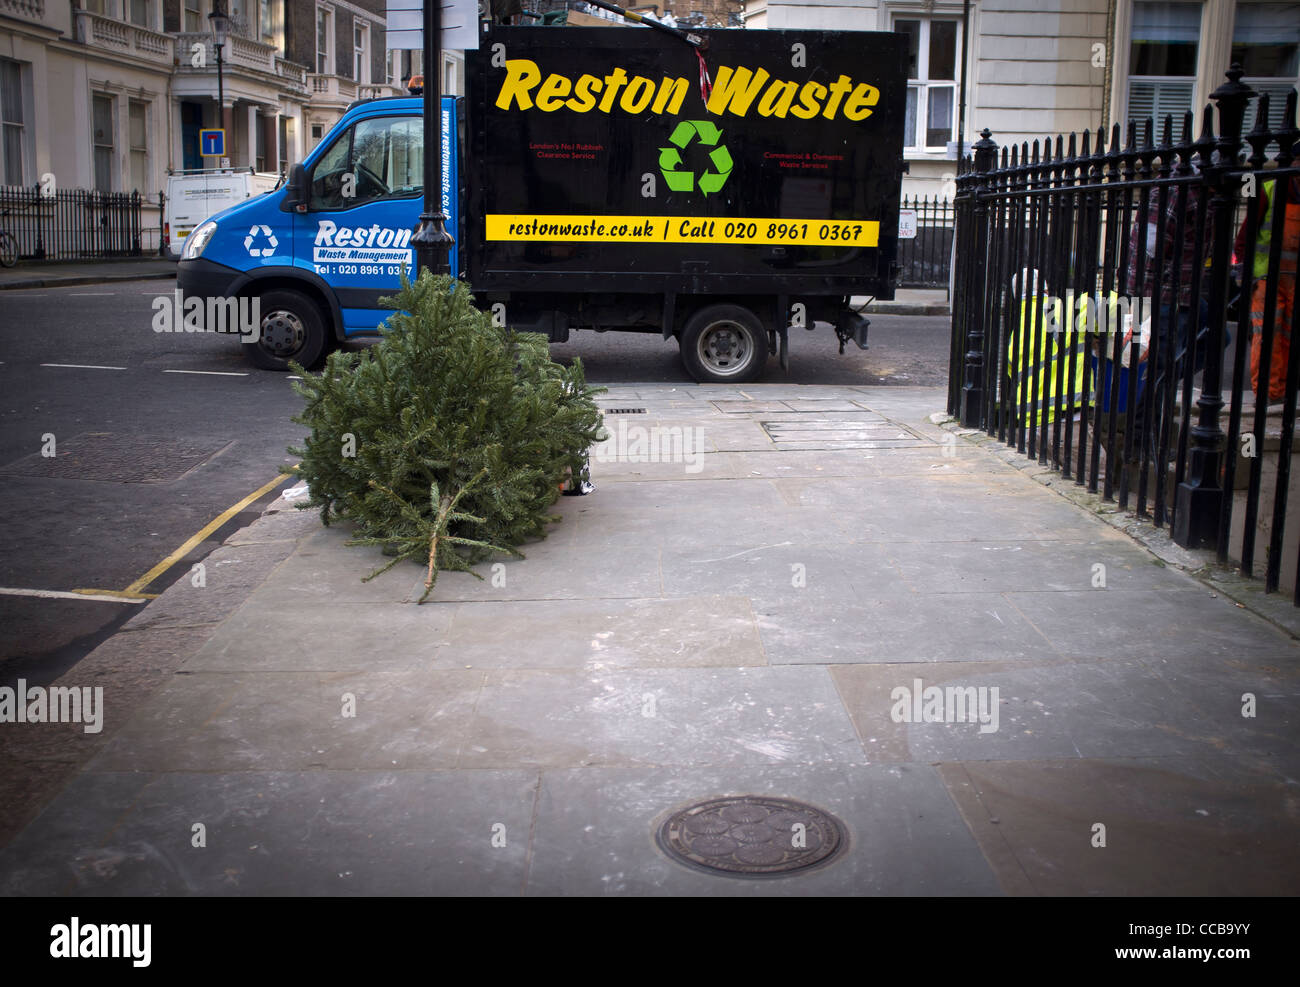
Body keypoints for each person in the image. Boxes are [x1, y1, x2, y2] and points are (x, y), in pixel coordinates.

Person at [1234, 174, 1300, 404]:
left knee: (1289, 336)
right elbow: (1244, 238)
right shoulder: (1268, 190)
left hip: (1292, 279)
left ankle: (1282, 390)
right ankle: (1268, 393)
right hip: (1266, 278)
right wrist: (1246, 275)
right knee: (1267, 334)